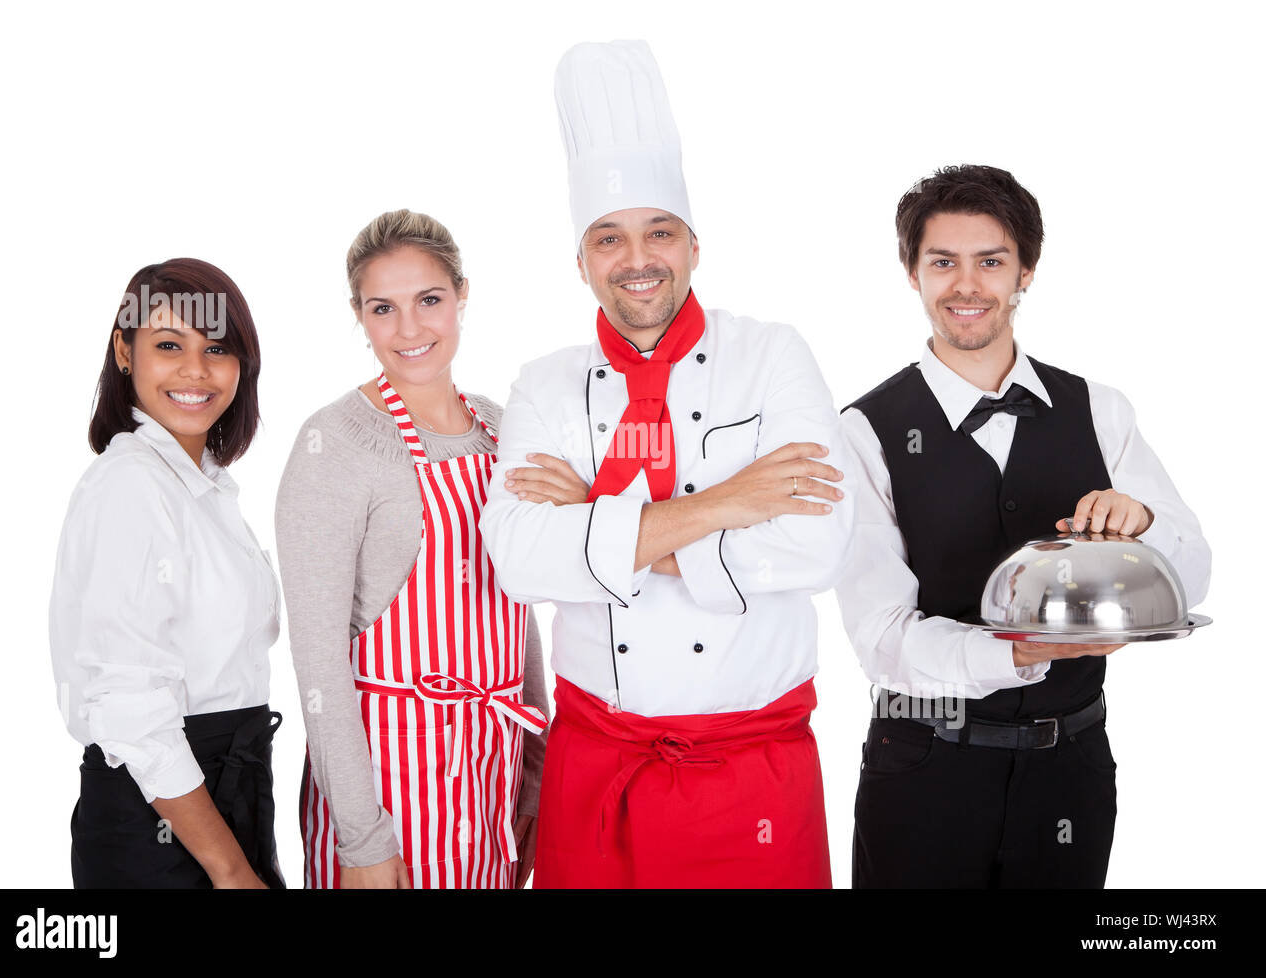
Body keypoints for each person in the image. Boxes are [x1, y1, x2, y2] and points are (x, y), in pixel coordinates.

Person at [478, 40, 855, 888]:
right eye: (607, 238)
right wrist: (728, 502)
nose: (636, 258)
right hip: (596, 766)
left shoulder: (773, 356)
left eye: (659, 233)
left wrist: (598, 518)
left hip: (751, 771)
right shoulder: (541, 386)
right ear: (580, 261)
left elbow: (819, 546)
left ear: (693, 245)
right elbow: (519, 560)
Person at [835, 164, 1212, 888]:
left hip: (1070, 768)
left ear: (1026, 272)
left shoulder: (1099, 408)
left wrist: (1145, 522)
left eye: (991, 261)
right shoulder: (863, 432)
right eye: (943, 262)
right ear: (913, 273)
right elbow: (882, 640)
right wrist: (1023, 652)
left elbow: (1192, 572)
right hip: (923, 768)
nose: (966, 286)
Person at [276, 209, 550, 889]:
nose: (409, 330)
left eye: (429, 300)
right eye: (382, 308)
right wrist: (362, 841)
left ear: (461, 294)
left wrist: (536, 771)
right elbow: (317, 665)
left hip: (491, 777)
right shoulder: (334, 443)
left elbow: (518, 605)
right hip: (388, 794)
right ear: (358, 316)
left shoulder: (501, 427)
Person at [50, 258, 283, 888]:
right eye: (168, 346)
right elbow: (129, 703)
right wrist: (231, 871)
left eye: (217, 349)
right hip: (161, 820)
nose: (196, 371)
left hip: (219, 802)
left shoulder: (203, 489)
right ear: (124, 353)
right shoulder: (130, 485)